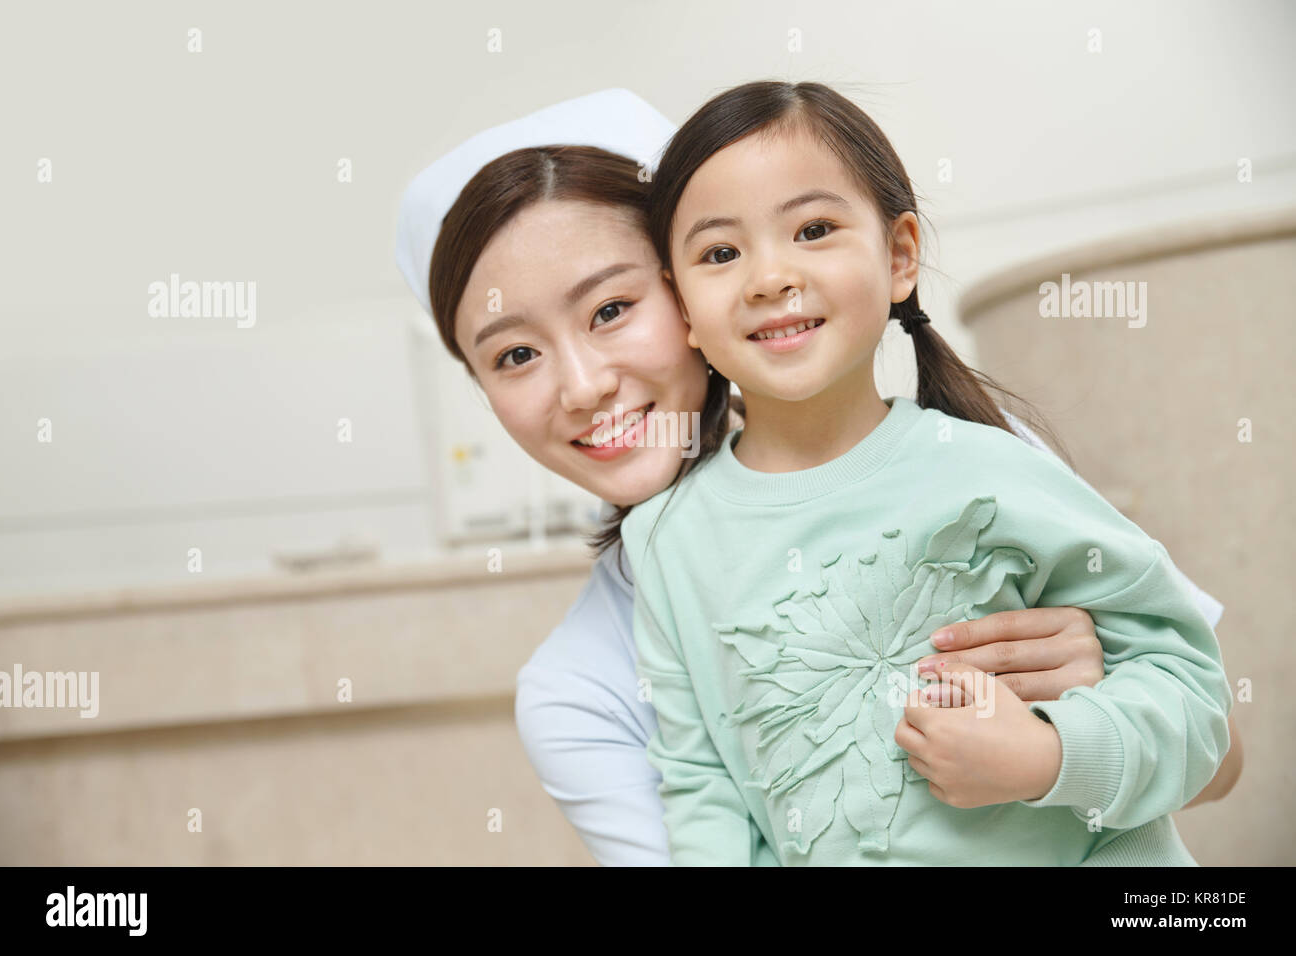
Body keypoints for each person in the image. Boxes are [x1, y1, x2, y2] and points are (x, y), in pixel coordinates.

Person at [396, 88, 1239, 866]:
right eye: (514, 355)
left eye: (613, 309)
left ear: (678, 299)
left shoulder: (980, 457)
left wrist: (1069, 726)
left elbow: (1220, 752)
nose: (582, 386)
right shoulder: (577, 687)